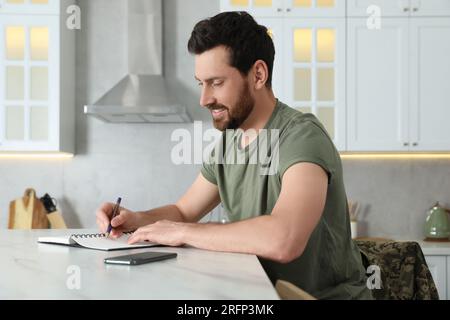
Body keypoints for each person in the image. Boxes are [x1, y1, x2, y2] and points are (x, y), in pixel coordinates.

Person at [96, 11, 373, 300]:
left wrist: (183, 233)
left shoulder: (301, 136)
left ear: (258, 75)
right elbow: (183, 212)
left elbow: (285, 239)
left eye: (216, 83)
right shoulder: (229, 143)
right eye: (200, 83)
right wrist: (137, 219)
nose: (204, 99)